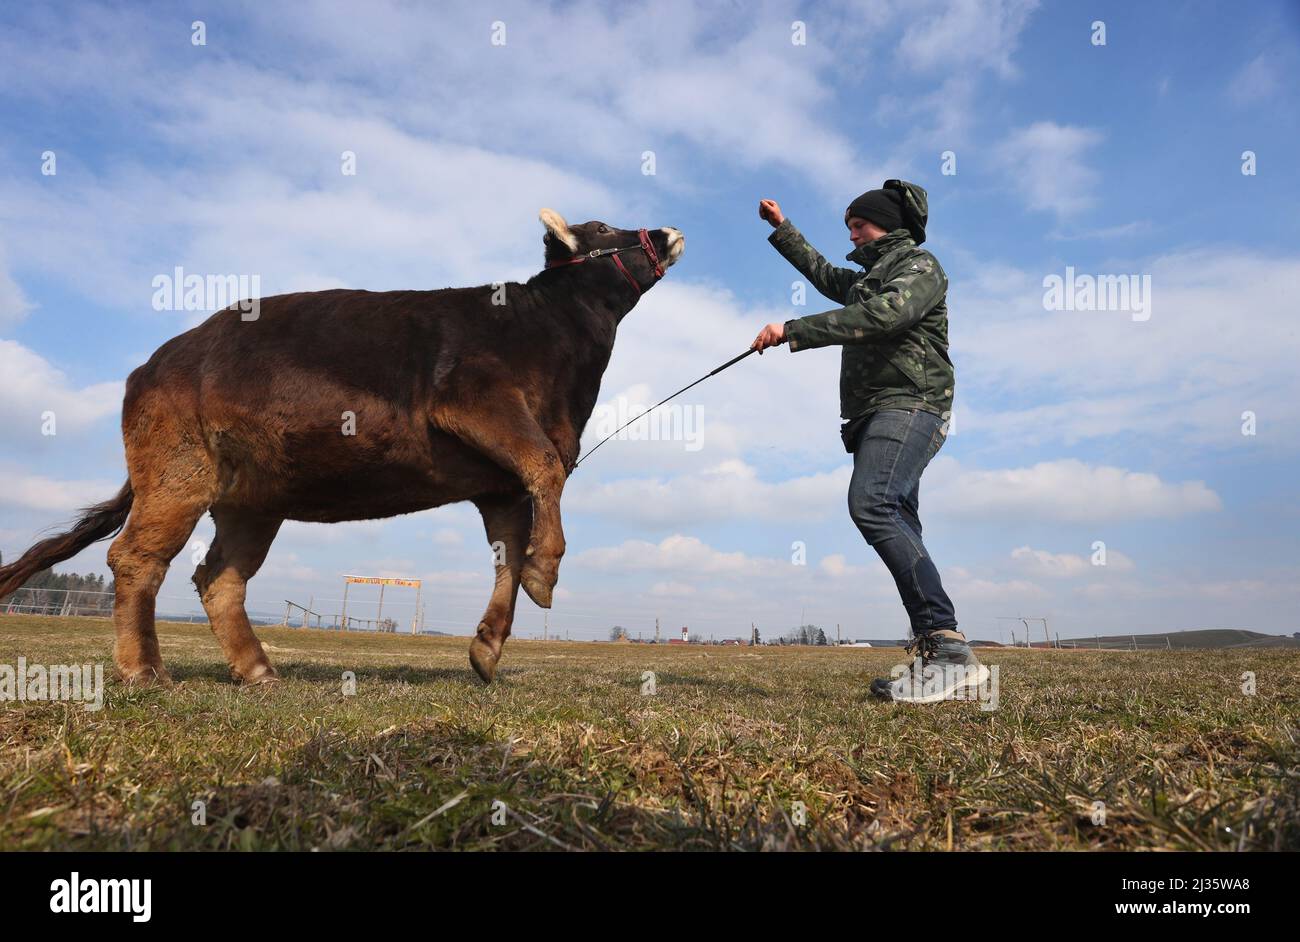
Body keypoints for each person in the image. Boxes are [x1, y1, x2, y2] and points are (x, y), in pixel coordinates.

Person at [752, 180, 989, 703]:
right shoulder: (867, 279)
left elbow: (887, 315)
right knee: (898, 517)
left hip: (912, 405)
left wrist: (793, 329)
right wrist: (784, 229)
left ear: (887, 226)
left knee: (873, 504)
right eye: (848, 228)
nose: (852, 237)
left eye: (859, 226)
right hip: (876, 414)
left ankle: (951, 652)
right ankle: (939, 656)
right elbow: (824, 274)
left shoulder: (921, 268)